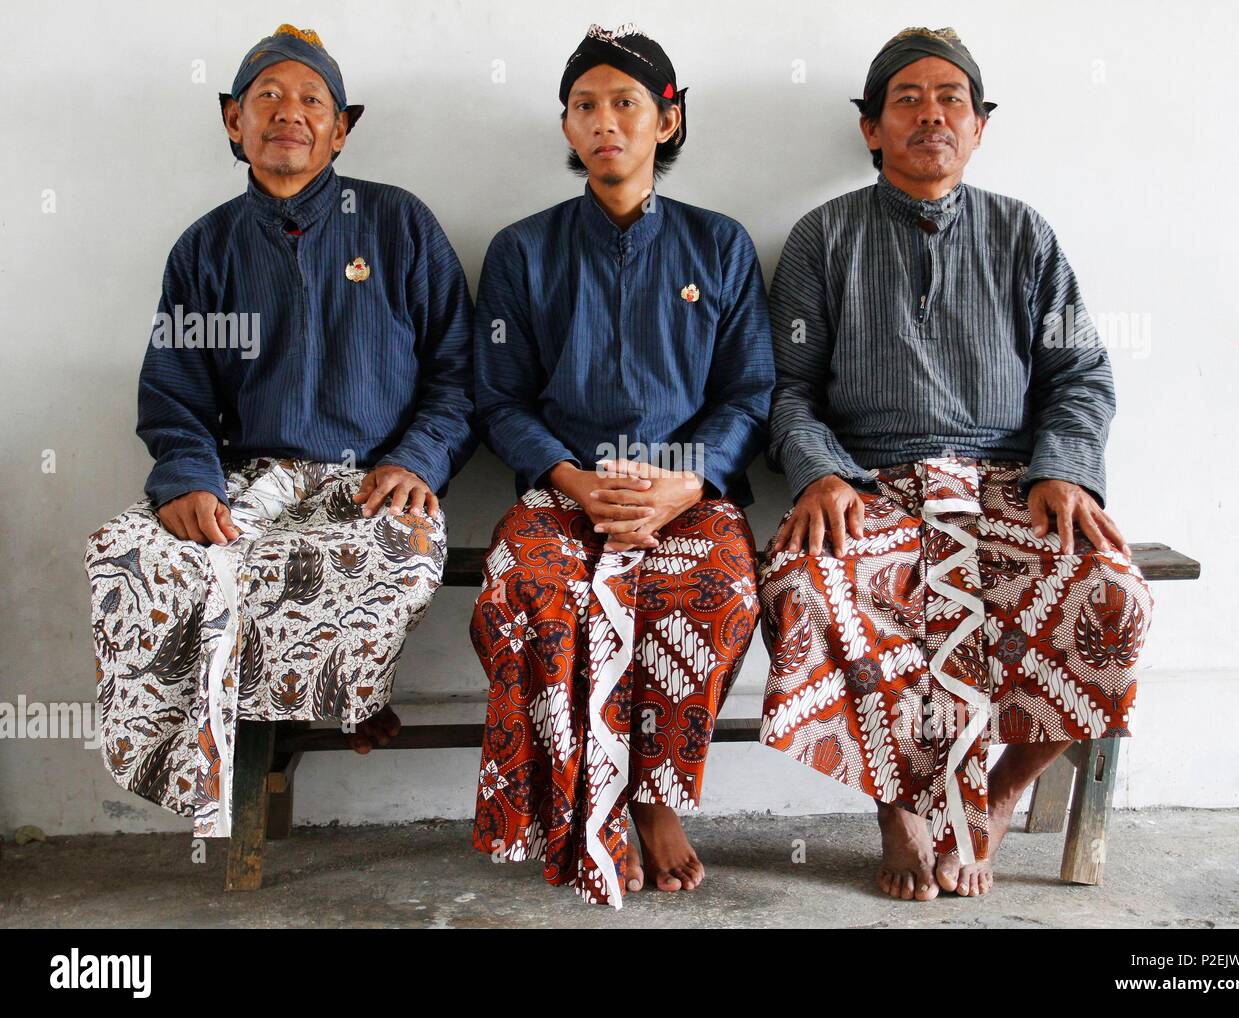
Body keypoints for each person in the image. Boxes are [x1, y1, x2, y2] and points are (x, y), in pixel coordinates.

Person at [758, 26, 1154, 900]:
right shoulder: (824, 238)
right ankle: (898, 806)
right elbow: (784, 387)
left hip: (1011, 484)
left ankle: (1004, 791)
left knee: (1112, 594)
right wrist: (823, 473)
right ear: (870, 128)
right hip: (873, 486)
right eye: (907, 100)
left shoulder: (1024, 234)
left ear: (980, 127)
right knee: (809, 586)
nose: (931, 114)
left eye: (952, 101)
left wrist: (1062, 470)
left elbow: (1081, 372)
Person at [85, 24, 476, 837]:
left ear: (341, 128)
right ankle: (232, 751)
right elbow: (175, 393)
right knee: (131, 554)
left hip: (367, 480)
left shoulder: (400, 225)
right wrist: (189, 480)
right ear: (234, 121)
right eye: (267, 96)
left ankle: (343, 696)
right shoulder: (205, 249)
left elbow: (460, 373)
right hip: (245, 481)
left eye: (311, 101)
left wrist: (416, 459)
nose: (288, 113)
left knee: (396, 557)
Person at [468, 24, 774, 907]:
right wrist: (569, 478)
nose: (606, 122)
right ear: (567, 128)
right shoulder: (523, 251)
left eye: (627, 103)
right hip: (563, 490)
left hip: (687, 493)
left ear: (667, 121)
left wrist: (686, 479)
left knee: (716, 592)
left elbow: (749, 389)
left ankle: (652, 799)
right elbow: (499, 400)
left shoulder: (718, 246)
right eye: (585, 106)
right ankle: (578, 806)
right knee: (527, 591)